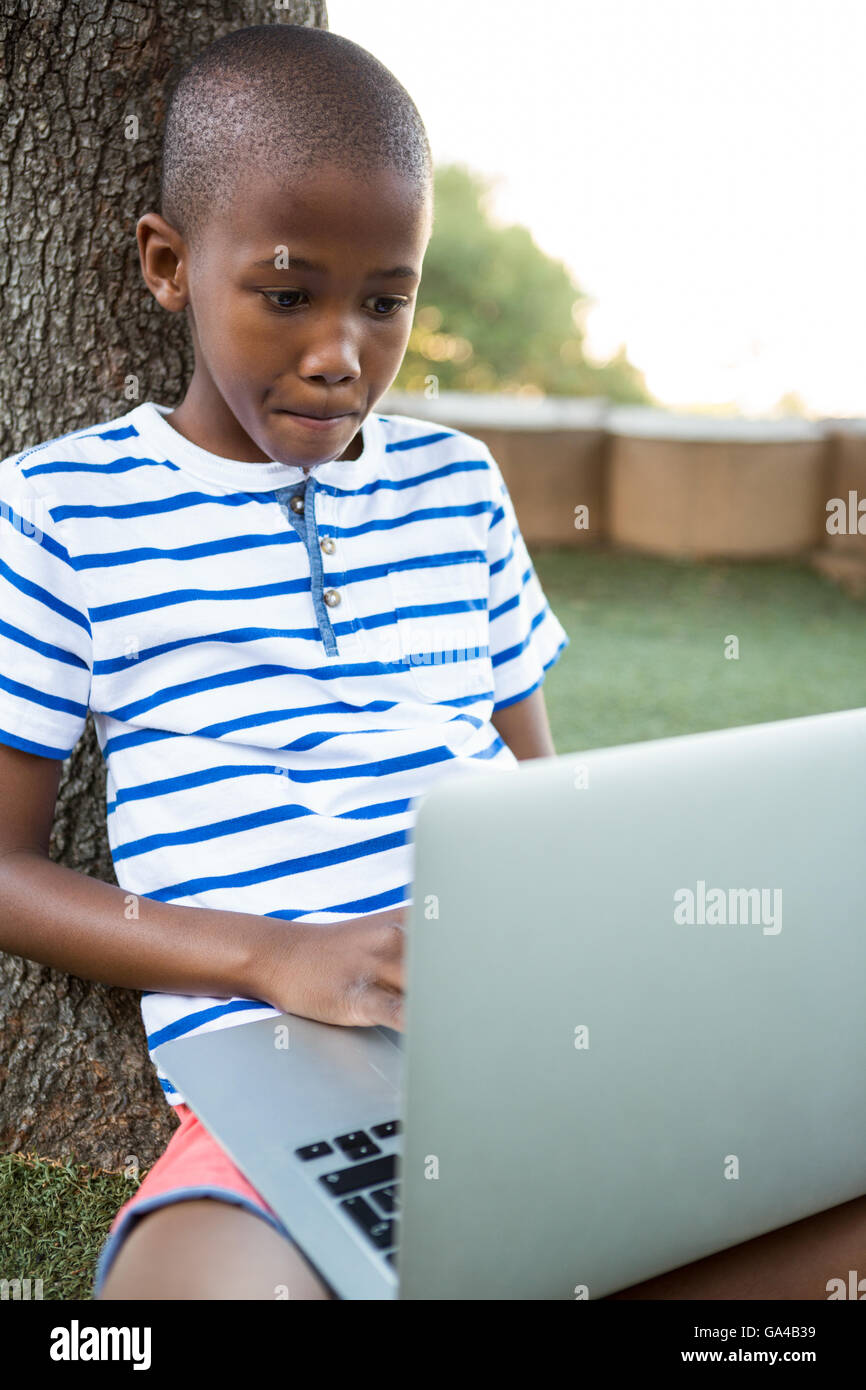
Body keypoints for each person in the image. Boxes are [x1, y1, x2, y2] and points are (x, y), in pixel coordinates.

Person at [0, 23, 861, 1302]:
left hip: (522, 1022)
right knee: (195, 1291)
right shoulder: (62, 508)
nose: (342, 351)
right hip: (284, 1054)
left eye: (385, 299)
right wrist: (275, 956)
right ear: (168, 264)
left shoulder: (457, 484)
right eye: (288, 294)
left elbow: (540, 796)